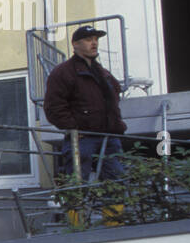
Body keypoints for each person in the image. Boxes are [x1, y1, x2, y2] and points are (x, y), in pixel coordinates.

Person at [44, 26, 128, 182]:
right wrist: (73, 128)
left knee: (116, 182)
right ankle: (74, 207)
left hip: (109, 136)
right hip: (82, 139)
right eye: (89, 40)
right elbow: (54, 107)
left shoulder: (104, 73)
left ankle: (113, 207)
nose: (94, 43)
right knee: (76, 181)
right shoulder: (63, 72)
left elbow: (115, 95)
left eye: (96, 39)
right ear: (75, 44)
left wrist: (117, 124)